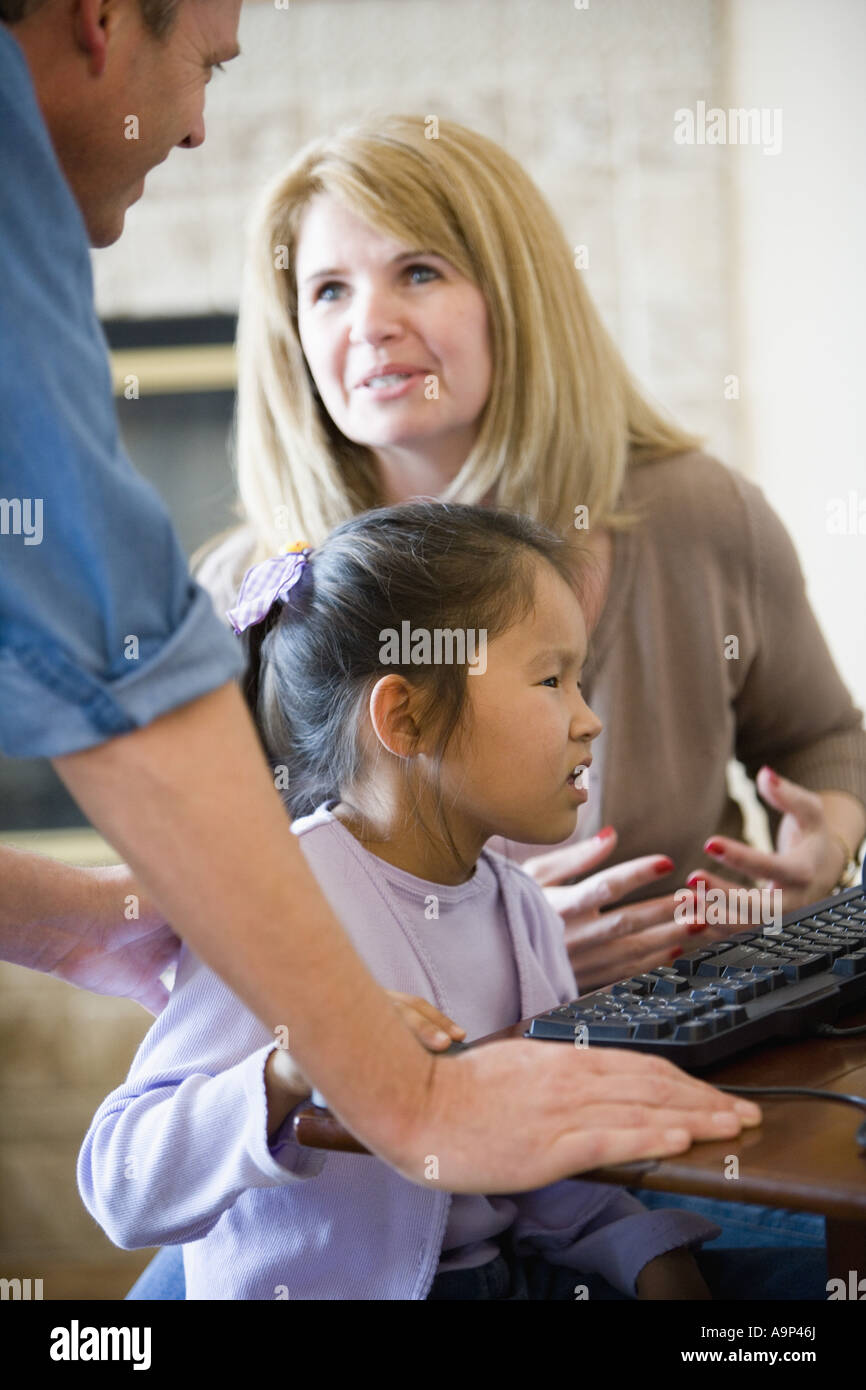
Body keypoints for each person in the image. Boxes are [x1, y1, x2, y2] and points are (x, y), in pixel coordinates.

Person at [2, 3, 759, 1226]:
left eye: (419, 269)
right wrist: (369, 1078)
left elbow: (550, 1173)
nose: (198, 125)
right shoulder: (241, 598)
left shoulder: (689, 510)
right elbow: (136, 1171)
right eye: (206, 65)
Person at [81, 503, 823, 1301]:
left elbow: (548, 1172)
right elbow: (124, 1183)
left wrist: (650, 1257)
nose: (590, 720)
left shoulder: (522, 912)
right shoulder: (274, 905)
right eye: (551, 680)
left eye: (582, 681)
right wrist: (291, 1069)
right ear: (407, 716)